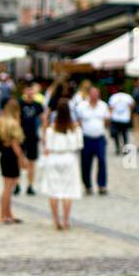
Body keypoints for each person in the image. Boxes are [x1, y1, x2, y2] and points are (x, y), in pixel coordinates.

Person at [43, 97, 84, 230]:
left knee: (54, 191)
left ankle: (56, 220)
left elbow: (47, 146)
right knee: (68, 191)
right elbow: (79, 145)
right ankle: (66, 220)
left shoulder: (51, 129)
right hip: (69, 157)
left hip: (54, 157)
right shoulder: (75, 128)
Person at [0, 99, 27, 224]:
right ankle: (4, 214)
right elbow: (15, 144)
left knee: (7, 187)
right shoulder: (13, 124)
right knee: (9, 187)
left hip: (4, 154)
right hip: (12, 155)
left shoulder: (1, 121)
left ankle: (7, 213)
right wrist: (22, 160)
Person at [76, 87, 110, 195]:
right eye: (93, 93)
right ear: (89, 94)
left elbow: (106, 120)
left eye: (96, 93)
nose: (95, 95)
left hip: (99, 137)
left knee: (102, 161)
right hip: (86, 138)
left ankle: (102, 185)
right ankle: (87, 185)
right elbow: (78, 120)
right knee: (86, 162)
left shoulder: (103, 105)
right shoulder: (82, 106)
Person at [18, 81, 45, 194]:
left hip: (33, 136)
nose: (30, 93)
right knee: (19, 159)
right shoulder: (20, 104)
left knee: (32, 161)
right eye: (28, 91)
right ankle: (17, 184)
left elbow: (44, 118)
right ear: (24, 92)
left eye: (31, 91)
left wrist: (44, 134)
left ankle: (30, 185)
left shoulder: (37, 105)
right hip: (21, 136)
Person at [108, 86, 135, 156]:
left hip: (115, 118)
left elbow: (110, 108)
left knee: (116, 135)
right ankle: (125, 149)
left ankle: (117, 148)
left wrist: (110, 117)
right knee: (124, 134)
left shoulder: (113, 97)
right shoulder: (128, 97)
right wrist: (129, 113)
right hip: (125, 118)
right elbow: (132, 105)